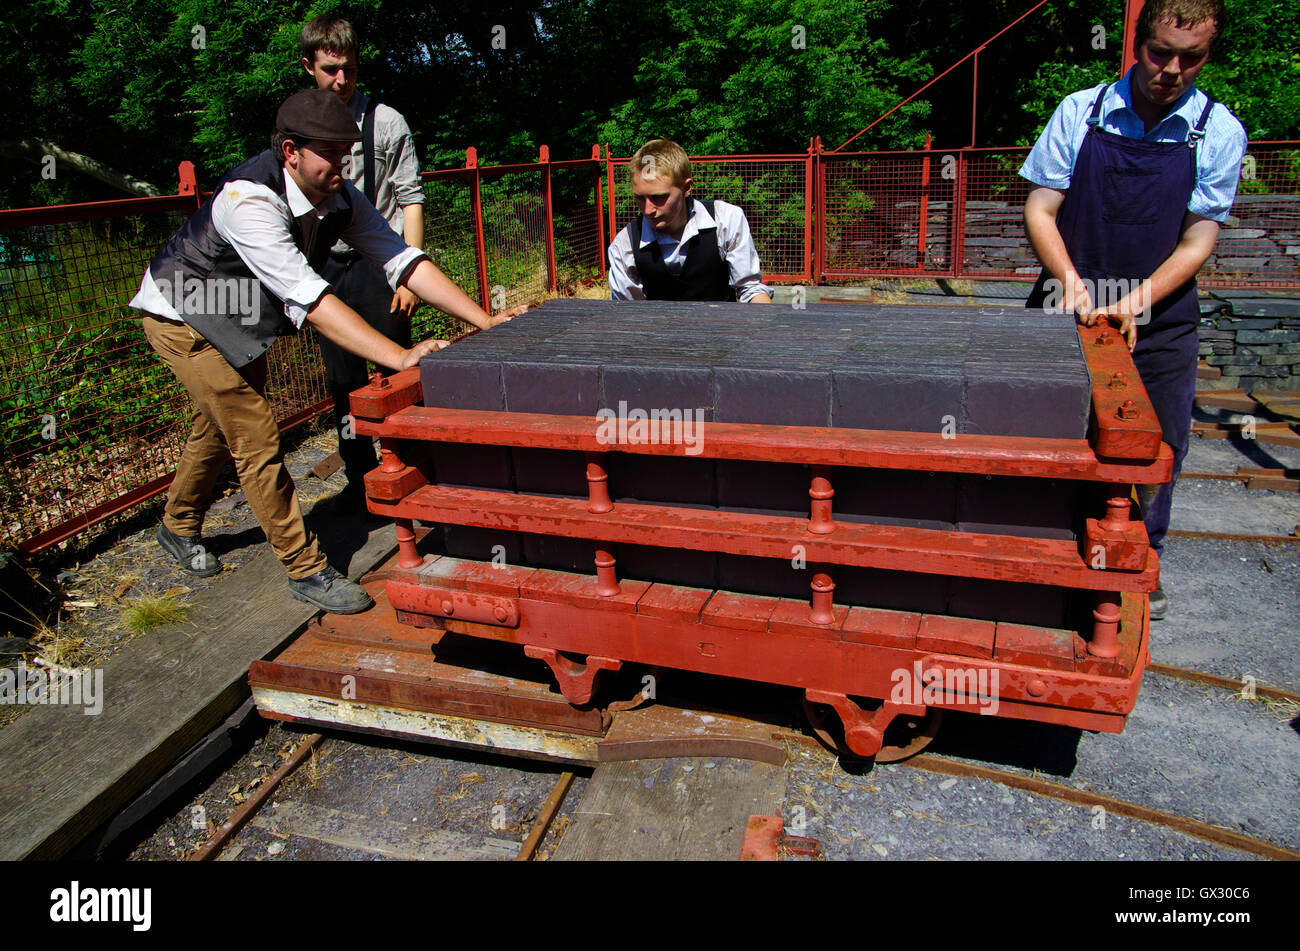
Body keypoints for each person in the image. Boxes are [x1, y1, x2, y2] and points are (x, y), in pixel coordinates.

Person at [129, 88, 511, 614]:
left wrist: (485, 320)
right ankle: (306, 569)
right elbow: (313, 301)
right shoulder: (250, 203)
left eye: (346, 151)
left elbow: (401, 257)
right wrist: (399, 358)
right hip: (183, 312)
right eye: (329, 152)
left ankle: (176, 526)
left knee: (221, 424)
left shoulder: (338, 196)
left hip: (233, 311)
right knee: (255, 434)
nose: (342, 163)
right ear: (291, 151)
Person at [1020, 0, 1246, 620]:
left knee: (1156, 445)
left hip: (1161, 317)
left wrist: (1134, 303)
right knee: (1044, 435)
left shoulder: (1218, 132)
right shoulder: (1082, 111)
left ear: (1206, 57)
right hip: (1065, 298)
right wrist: (1072, 286)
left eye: (1191, 58)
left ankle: (1140, 559)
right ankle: (1039, 554)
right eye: (1160, 52)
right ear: (1138, 45)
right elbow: (1041, 209)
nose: (1171, 68)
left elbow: (1198, 240)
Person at [301, 16, 426, 511]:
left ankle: (417, 460)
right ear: (309, 66)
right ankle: (361, 478)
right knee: (342, 379)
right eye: (331, 69)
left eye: (349, 69)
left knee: (400, 370)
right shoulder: (298, 124)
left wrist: (410, 274)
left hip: (380, 264)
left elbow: (410, 197)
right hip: (327, 269)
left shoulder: (385, 120)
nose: (341, 80)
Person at [608, 138, 772, 303]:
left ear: (686, 188)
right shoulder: (625, 245)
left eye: (658, 197)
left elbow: (751, 290)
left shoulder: (726, 220)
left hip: (722, 327)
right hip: (655, 328)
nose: (648, 209)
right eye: (639, 198)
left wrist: (772, 325)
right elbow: (627, 314)